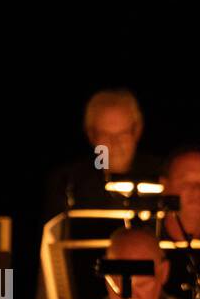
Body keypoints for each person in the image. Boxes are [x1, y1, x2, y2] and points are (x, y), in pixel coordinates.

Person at [44, 89, 162, 217]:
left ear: (137, 131)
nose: (115, 143)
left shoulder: (162, 177)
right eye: (105, 135)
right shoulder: (67, 184)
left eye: (123, 134)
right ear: (91, 135)